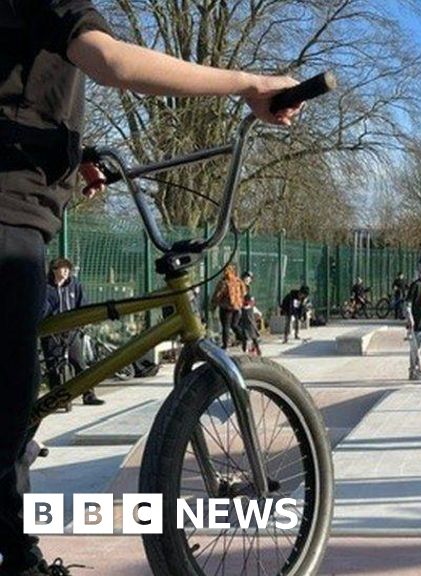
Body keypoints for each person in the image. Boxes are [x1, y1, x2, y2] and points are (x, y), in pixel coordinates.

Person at [0, 2, 302, 573]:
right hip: (8, 218)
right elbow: (112, 61)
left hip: (22, 211)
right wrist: (248, 84)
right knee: (7, 414)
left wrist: (71, 158)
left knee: (17, 415)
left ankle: (19, 554)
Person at [40, 258, 103, 407]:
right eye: (63, 268)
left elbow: (82, 304)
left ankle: (89, 395)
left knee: (79, 362)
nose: (66, 271)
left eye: (68, 269)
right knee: (54, 365)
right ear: (54, 270)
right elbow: (42, 309)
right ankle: (58, 398)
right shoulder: (44, 287)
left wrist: (84, 320)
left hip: (72, 330)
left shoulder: (74, 284)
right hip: (52, 330)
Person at [211, 264, 245, 349]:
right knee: (234, 325)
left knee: (225, 326)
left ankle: (225, 345)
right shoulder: (238, 281)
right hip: (237, 307)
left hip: (226, 307)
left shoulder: (224, 282)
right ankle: (243, 338)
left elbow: (218, 295)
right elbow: (244, 292)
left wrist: (214, 304)